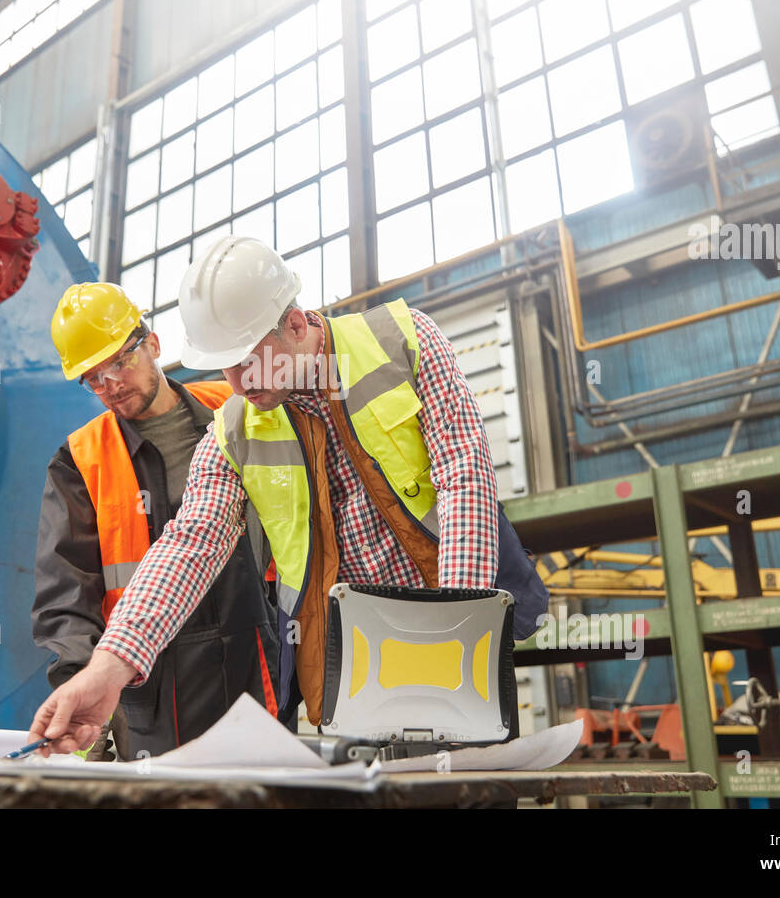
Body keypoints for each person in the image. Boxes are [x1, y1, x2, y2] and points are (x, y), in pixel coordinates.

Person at [29, 238, 548, 754]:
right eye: (223, 367)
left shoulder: (403, 340)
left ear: (296, 324)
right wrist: (107, 668)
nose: (236, 384)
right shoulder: (235, 426)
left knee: (477, 788)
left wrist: (456, 624)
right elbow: (191, 542)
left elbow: (464, 477)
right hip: (354, 663)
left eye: (248, 361)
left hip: (457, 620)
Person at [32, 281, 279, 759]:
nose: (110, 386)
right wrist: (85, 680)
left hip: (256, 658)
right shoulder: (80, 458)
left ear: (153, 344)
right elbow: (65, 594)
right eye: (92, 378)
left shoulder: (233, 410)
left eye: (119, 362)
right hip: (154, 685)